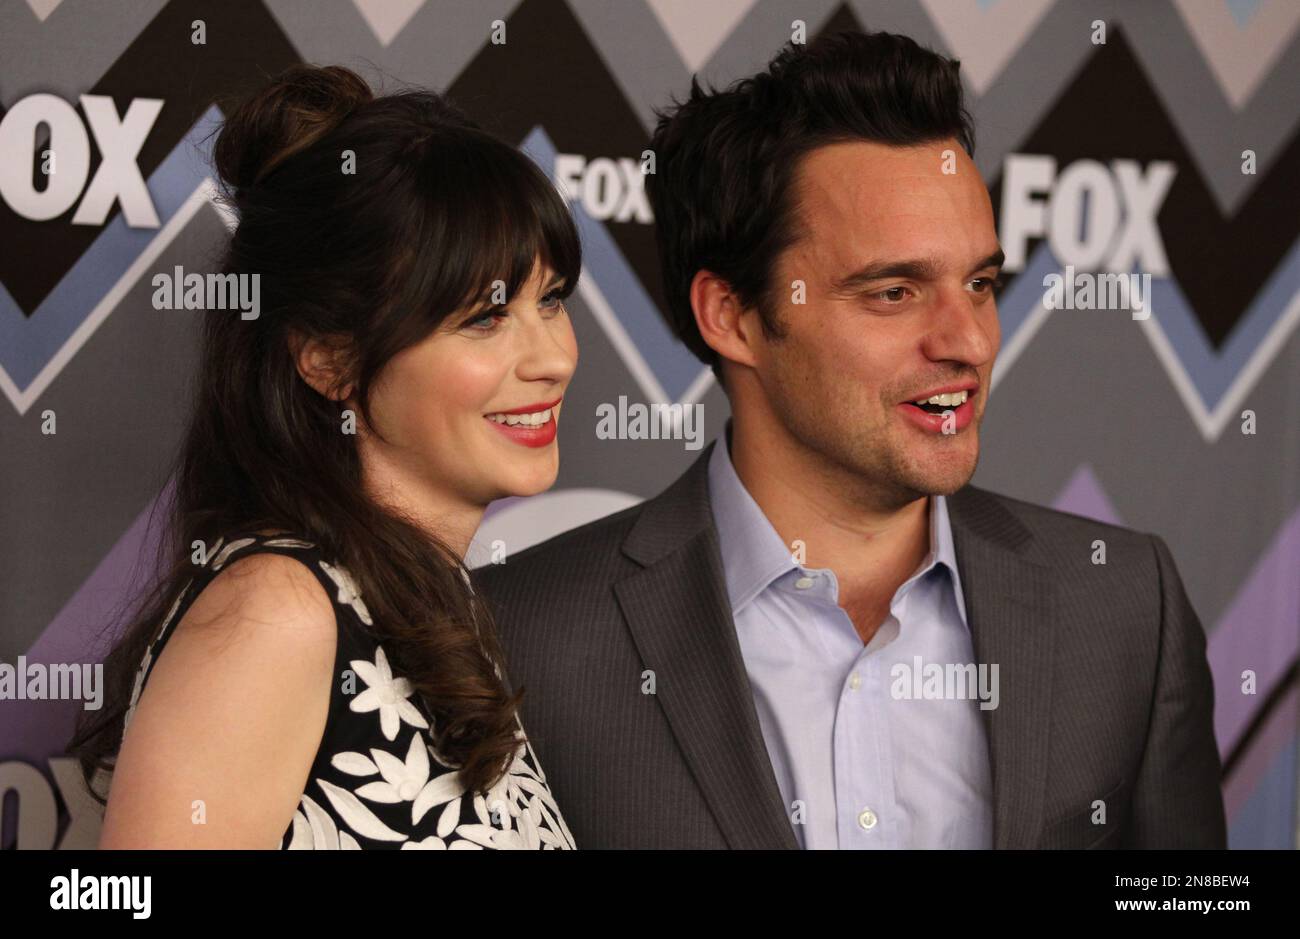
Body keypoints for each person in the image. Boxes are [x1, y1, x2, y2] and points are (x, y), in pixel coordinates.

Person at [473, 31, 1226, 849]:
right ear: (732, 316)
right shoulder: (521, 636)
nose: (967, 340)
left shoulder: (1121, 606)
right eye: (895, 291)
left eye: (979, 283)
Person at [70, 64, 579, 850]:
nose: (552, 358)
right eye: (486, 316)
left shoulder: (427, 603)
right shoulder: (281, 610)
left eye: (550, 300)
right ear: (328, 359)